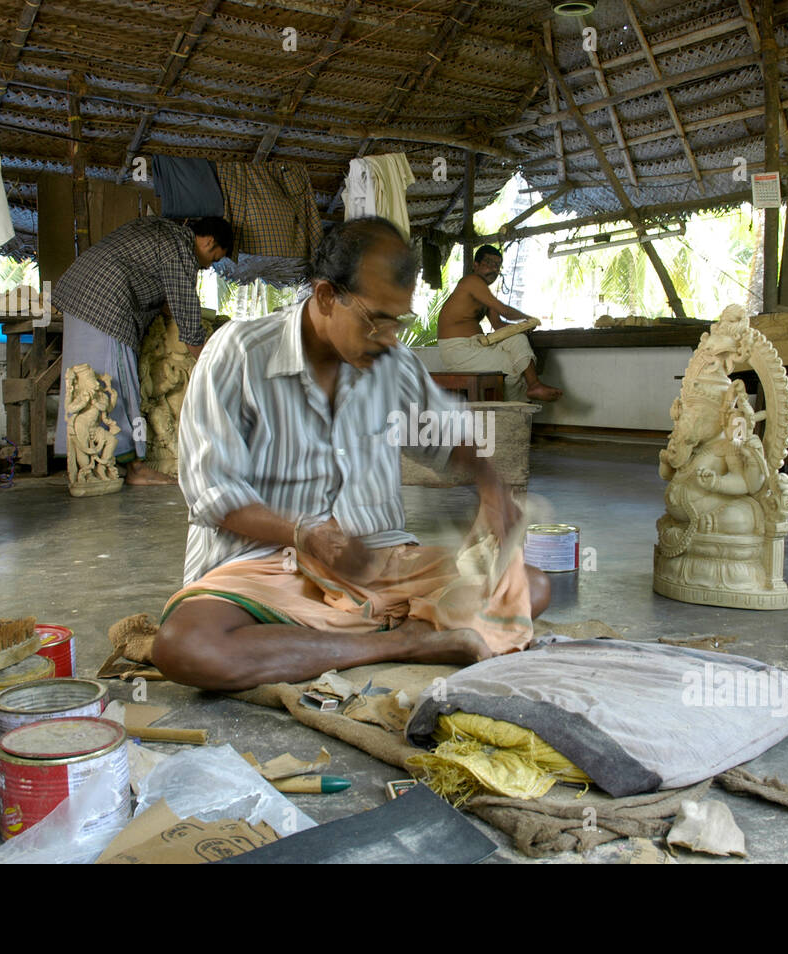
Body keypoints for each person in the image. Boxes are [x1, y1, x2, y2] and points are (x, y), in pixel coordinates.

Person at [152, 217, 550, 692]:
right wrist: (302, 531)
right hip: (266, 563)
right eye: (376, 319)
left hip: (378, 561)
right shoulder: (238, 353)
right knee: (186, 646)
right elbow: (211, 492)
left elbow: (446, 435)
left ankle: (328, 640)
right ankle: (406, 641)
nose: (388, 337)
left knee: (531, 584)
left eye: (397, 321)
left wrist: (491, 486)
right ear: (325, 297)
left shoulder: (390, 361)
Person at [52, 214, 232, 485]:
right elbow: (187, 316)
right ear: (208, 242)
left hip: (80, 294)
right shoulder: (180, 249)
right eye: (215, 259)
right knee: (114, 383)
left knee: (81, 381)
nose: (208, 266)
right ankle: (135, 467)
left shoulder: (161, 232)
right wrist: (210, 365)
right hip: (105, 304)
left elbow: (164, 296)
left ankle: (85, 459)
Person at [438, 244, 563, 402]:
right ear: (475, 265)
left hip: (476, 346)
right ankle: (512, 408)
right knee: (514, 366)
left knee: (516, 339)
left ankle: (533, 386)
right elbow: (505, 311)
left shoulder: (483, 291)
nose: (494, 269)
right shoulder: (471, 281)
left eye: (497, 265)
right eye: (489, 263)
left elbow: (498, 324)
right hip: (457, 350)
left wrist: (521, 329)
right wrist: (530, 320)